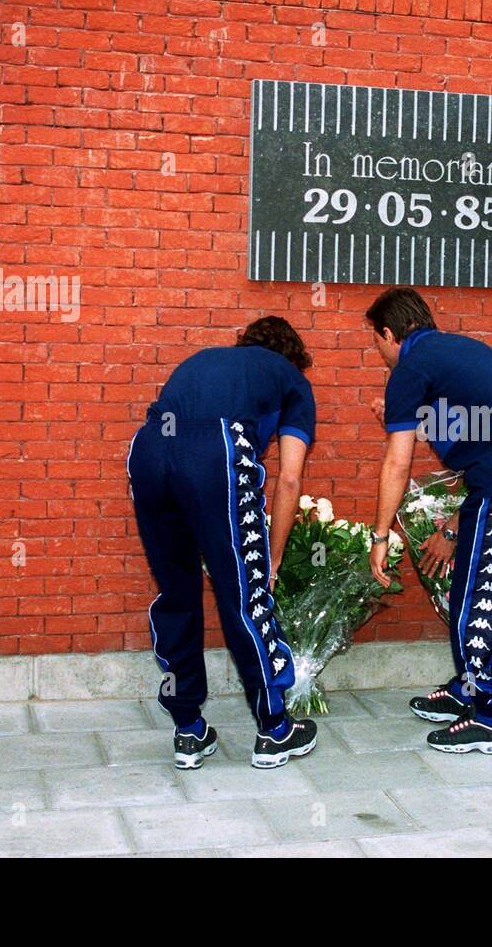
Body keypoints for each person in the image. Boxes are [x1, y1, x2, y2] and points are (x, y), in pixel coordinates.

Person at [363, 287, 492, 755]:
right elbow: (478, 429)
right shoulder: (456, 350)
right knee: (469, 592)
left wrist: (380, 536)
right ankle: (469, 686)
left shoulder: (411, 368)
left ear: (390, 334)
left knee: (483, 598)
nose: (378, 353)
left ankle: (491, 715)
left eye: (375, 342)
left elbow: (397, 464)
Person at [128, 316, 319, 770]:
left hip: (150, 449)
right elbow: (289, 479)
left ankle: (188, 728)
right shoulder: (291, 380)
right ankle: (275, 730)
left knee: (177, 593)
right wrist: (270, 558)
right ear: (292, 358)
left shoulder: (205, 359)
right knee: (244, 596)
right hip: (215, 451)